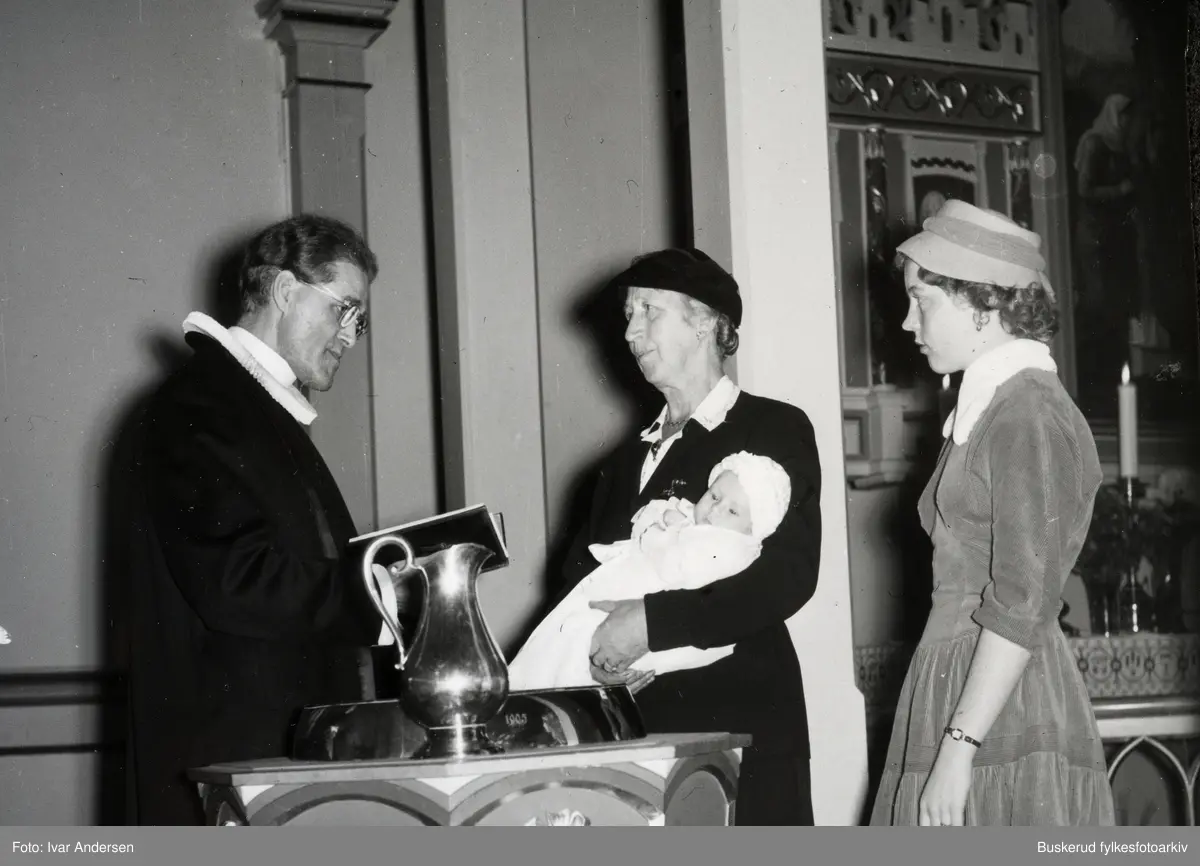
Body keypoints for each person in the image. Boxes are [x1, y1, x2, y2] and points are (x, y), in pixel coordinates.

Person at [126, 214, 391, 825]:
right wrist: (380, 594)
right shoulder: (202, 402)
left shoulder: (246, 403)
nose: (351, 336)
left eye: (359, 320)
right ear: (286, 290)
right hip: (230, 770)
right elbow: (237, 580)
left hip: (265, 764)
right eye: (344, 309)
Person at [555, 248, 821, 825]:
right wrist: (596, 656)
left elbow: (788, 575)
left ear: (704, 322)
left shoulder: (771, 428)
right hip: (637, 738)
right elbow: (577, 582)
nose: (631, 332)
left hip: (742, 724)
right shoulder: (617, 465)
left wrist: (651, 625)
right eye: (628, 315)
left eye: (648, 311)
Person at [870, 200, 1115, 826]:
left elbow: (1024, 601)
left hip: (997, 701)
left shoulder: (1027, 412)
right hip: (962, 679)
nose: (907, 321)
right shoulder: (996, 405)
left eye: (922, 301)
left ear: (982, 303)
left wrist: (958, 748)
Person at [509, 451, 792, 691]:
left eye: (733, 512)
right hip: (617, 608)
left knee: (562, 654)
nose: (715, 510)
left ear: (753, 529)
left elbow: (676, 567)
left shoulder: (729, 547)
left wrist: (661, 531)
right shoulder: (696, 520)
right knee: (555, 645)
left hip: (664, 632)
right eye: (714, 496)